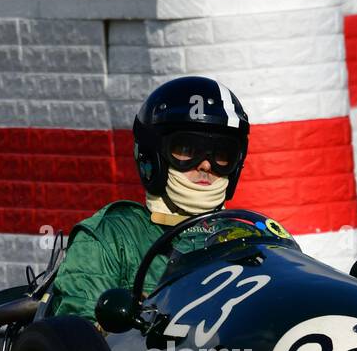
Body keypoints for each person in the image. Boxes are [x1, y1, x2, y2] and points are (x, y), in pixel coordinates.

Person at [46, 76, 251, 320]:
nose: (206, 164)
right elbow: (80, 341)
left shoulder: (248, 238)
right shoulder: (113, 236)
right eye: (186, 150)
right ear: (153, 157)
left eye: (221, 154)